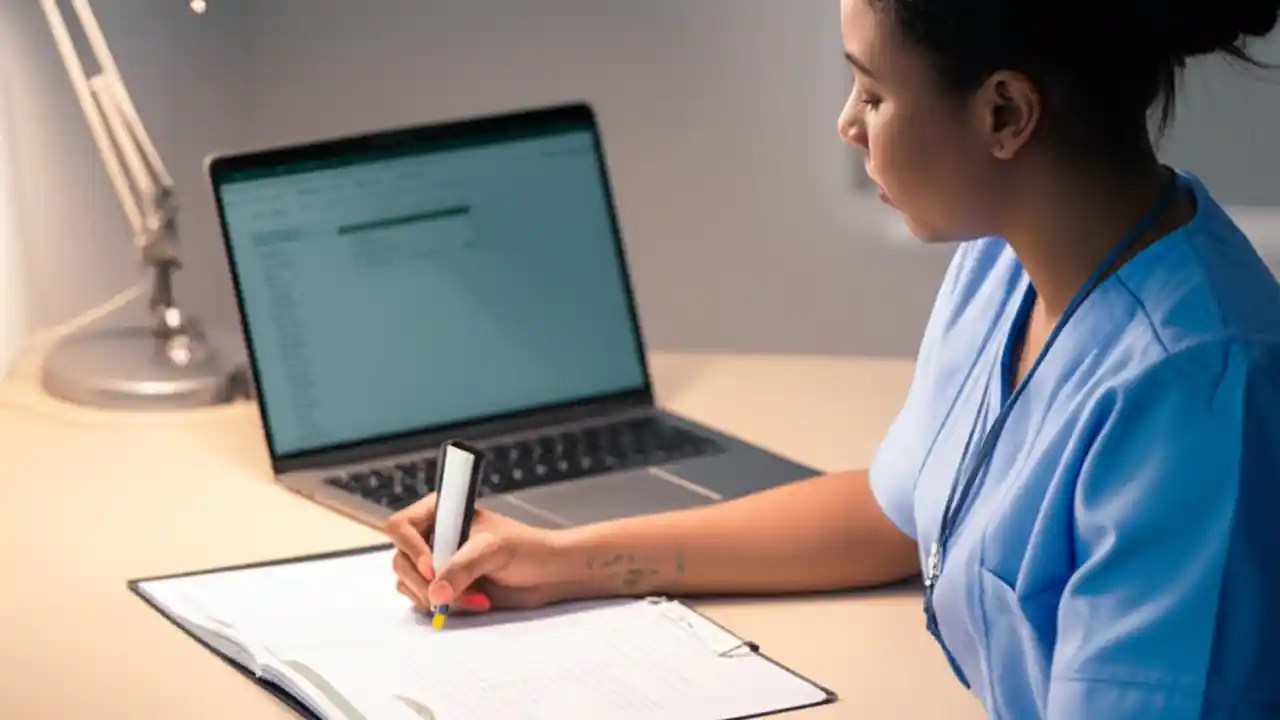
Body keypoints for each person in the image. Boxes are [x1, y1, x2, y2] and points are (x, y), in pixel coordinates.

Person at [385, 0, 1280, 716]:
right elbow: (900, 514)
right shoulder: (1011, 257)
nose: (847, 125)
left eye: (873, 93)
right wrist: (561, 562)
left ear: (1004, 112)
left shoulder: (1192, 389)